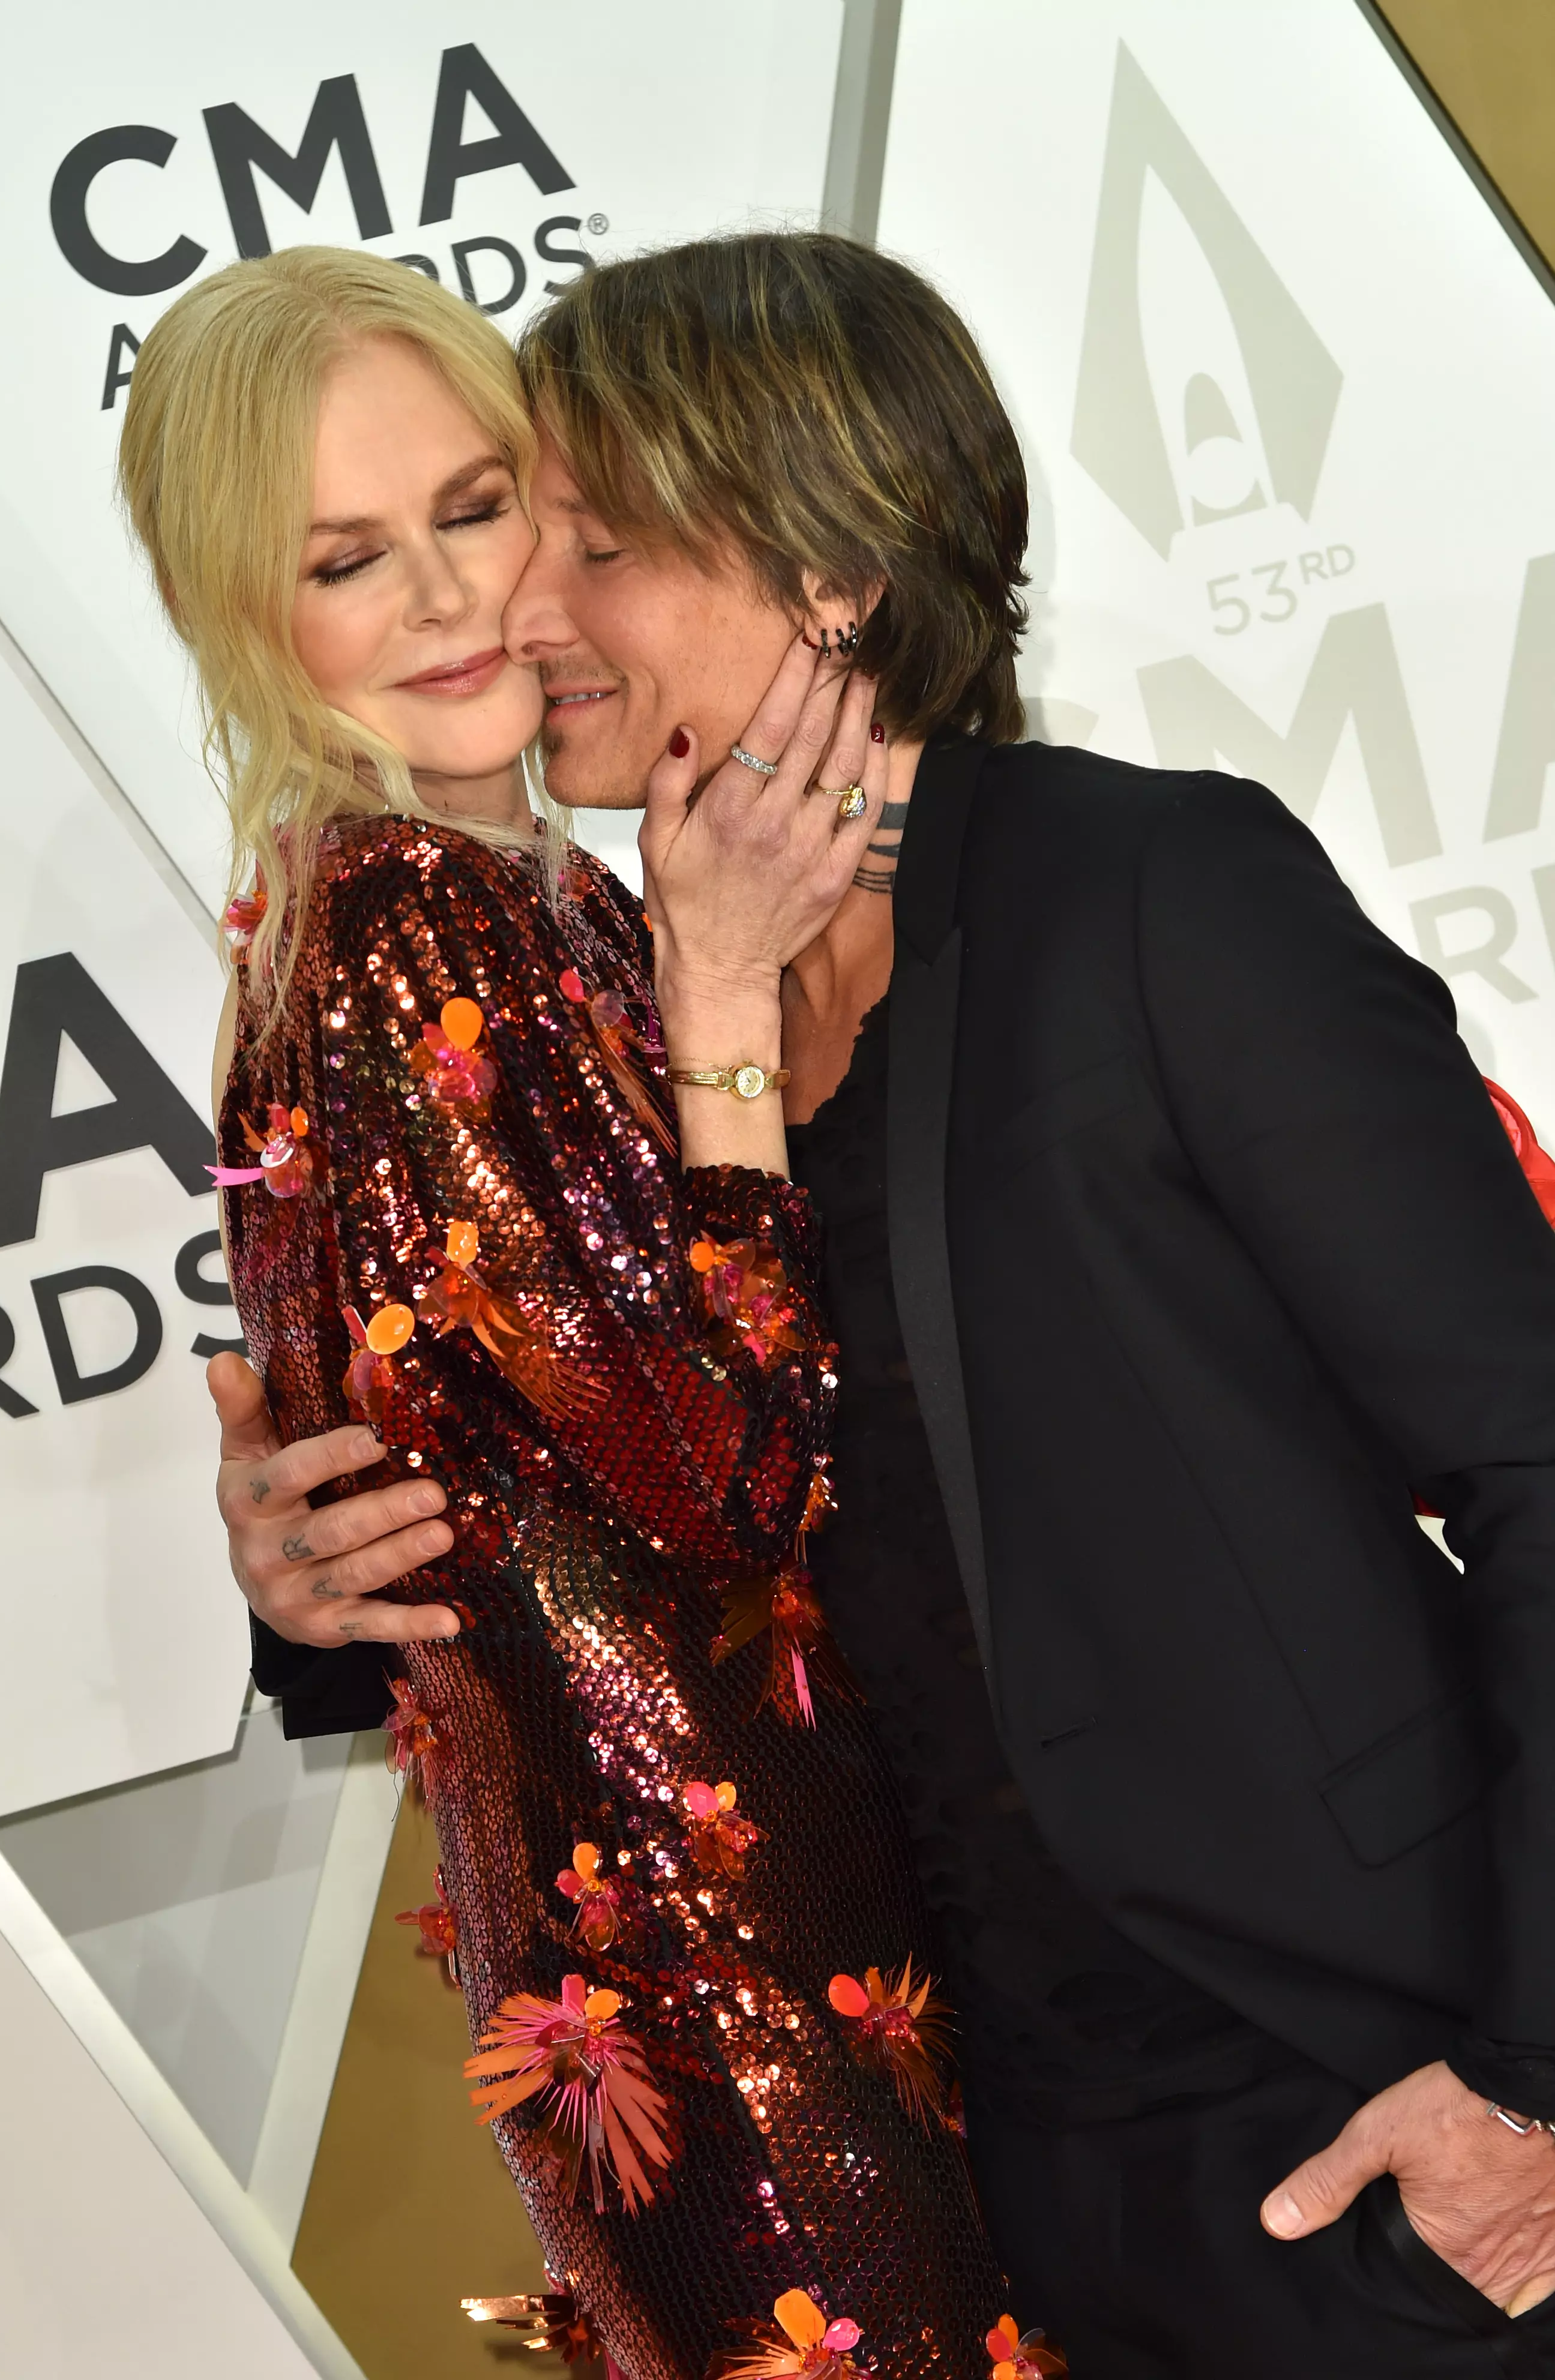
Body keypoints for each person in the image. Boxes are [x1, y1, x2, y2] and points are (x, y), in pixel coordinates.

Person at [214, 231, 1555, 2375]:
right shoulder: (642, 1025)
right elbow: (646, 1552)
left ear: (830, 576)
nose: (521, 614)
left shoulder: (1148, 896)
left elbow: (1535, 1458)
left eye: (603, 548)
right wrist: (318, 1593)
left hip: (1363, 2115)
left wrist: (1525, 2076)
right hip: (988, 2185)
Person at [120, 245, 1005, 2380]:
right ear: (253, 615)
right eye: (346, 557)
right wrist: (715, 1006)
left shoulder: (491, 895)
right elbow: (728, 1460)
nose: (439, 601)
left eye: (475, 507)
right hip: (748, 2005)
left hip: (764, 1955)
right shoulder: (426, 921)